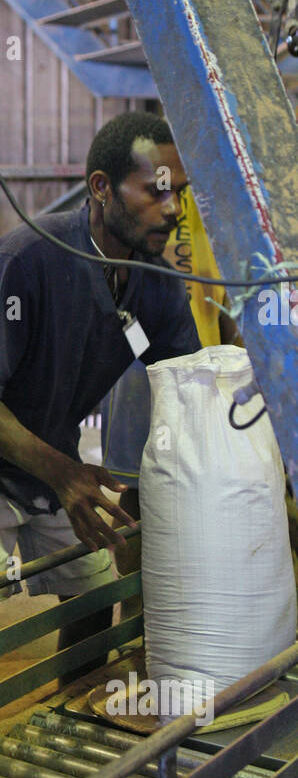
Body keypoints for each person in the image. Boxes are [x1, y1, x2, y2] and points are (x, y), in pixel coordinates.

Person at [0, 111, 201, 721]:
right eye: (156, 190)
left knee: (94, 596)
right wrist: (67, 475)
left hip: (52, 457)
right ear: (101, 188)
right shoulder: (28, 260)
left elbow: (189, 384)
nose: (173, 208)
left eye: (180, 192)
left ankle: (71, 718)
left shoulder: (155, 284)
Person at [99, 185, 240, 597]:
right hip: (143, 365)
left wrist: (233, 358)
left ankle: (189, 594)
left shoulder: (221, 191)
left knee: (203, 482)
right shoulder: (155, 190)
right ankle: (133, 610)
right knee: (138, 490)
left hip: (205, 360)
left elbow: (228, 291)